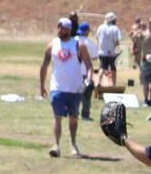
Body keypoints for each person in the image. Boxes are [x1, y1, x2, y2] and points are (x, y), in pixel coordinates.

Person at [39, 17, 92, 158]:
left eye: (62, 28)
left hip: (75, 88)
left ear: (68, 29)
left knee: (73, 118)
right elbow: (44, 66)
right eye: (58, 27)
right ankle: (55, 145)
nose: (59, 30)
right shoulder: (52, 45)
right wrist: (42, 85)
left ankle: (73, 145)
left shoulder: (78, 45)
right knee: (57, 116)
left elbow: (89, 66)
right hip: (57, 87)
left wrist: (89, 81)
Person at [95, 11, 122, 88]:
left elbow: (97, 38)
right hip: (112, 53)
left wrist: (99, 47)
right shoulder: (115, 28)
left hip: (102, 52)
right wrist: (118, 51)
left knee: (102, 68)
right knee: (113, 69)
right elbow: (116, 41)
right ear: (112, 20)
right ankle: (113, 85)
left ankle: (98, 83)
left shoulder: (100, 27)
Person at [76, 21, 96, 120]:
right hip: (84, 72)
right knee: (86, 95)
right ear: (87, 31)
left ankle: (72, 112)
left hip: (72, 72)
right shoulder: (88, 42)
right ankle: (85, 114)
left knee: (73, 94)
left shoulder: (72, 40)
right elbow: (95, 57)